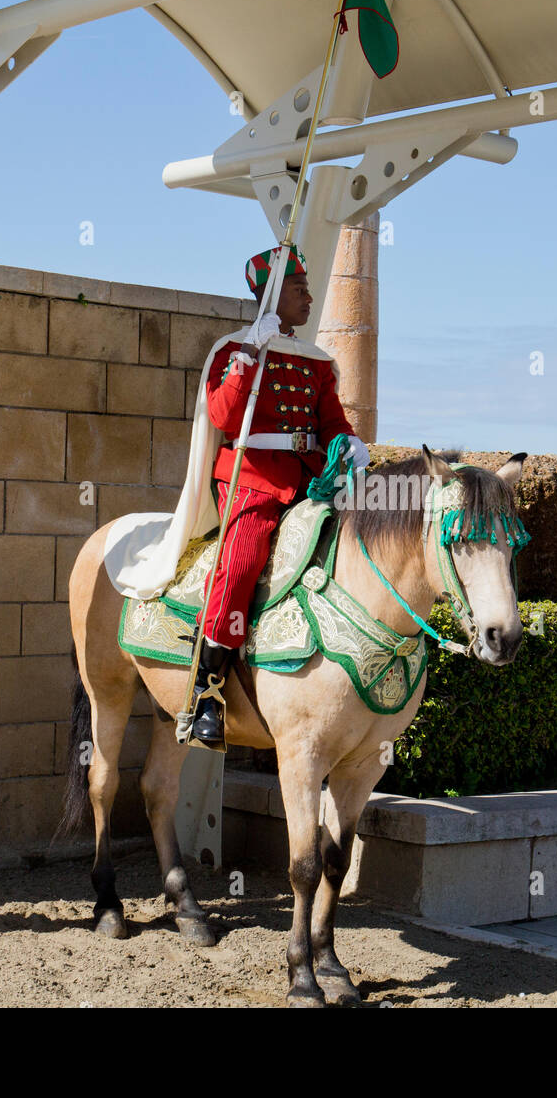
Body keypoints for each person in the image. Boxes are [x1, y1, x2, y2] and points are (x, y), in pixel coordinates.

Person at [188, 246, 370, 748]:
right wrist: (250, 355)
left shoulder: (314, 362)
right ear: (271, 294)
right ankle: (208, 690)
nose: (309, 297)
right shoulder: (234, 351)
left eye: (307, 287)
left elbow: (330, 420)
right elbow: (224, 417)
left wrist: (349, 443)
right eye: (298, 288)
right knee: (243, 561)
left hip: (308, 480)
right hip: (252, 477)